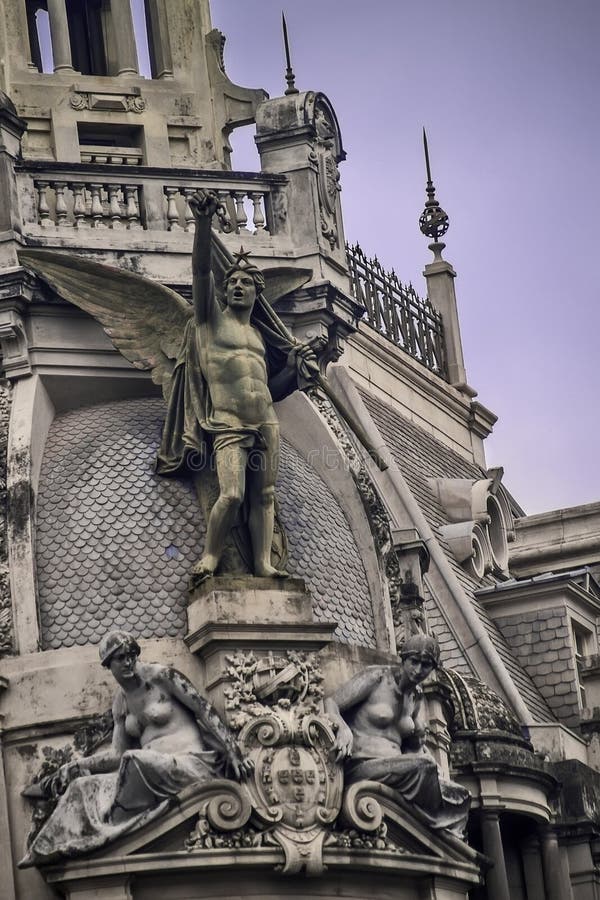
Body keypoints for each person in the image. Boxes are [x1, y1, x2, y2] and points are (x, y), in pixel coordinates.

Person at [156, 190, 318, 586]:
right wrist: (204, 224)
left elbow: (271, 387)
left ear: (257, 292)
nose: (239, 288)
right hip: (228, 422)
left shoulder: (262, 337)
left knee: (264, 497)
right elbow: (199, 273)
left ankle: (263, 563)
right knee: (232, 495)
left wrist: (294, 372)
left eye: (247, 283)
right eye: (234, 282)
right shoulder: (210, 322)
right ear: (224, 290)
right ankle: (211, 555)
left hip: (266, 420)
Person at [20, 630, 251, 866]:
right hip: (147, 771)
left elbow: (203, 708)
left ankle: (111, 830)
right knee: (82, 786)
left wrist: (232, 751)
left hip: (189, 764)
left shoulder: (162, 677)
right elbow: (117, 755)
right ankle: (46, 849)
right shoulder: (120, 703)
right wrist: (76, 765)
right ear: (108, 664)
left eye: (132, 655)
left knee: (135, 760)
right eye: (120, 658)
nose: (128, 661)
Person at [324, 634, 470, 836]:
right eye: (414, 662)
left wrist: (438, 773)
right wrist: (343, 729)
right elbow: (331, 703)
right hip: (362, 765)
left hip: (400, 768)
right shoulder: (377, 678)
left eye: (426, 665)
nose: (418, 670)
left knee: (462, 796)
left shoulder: (416, 698)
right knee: (424, 768)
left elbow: (414, 747)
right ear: (404, 658)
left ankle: (438, 838)